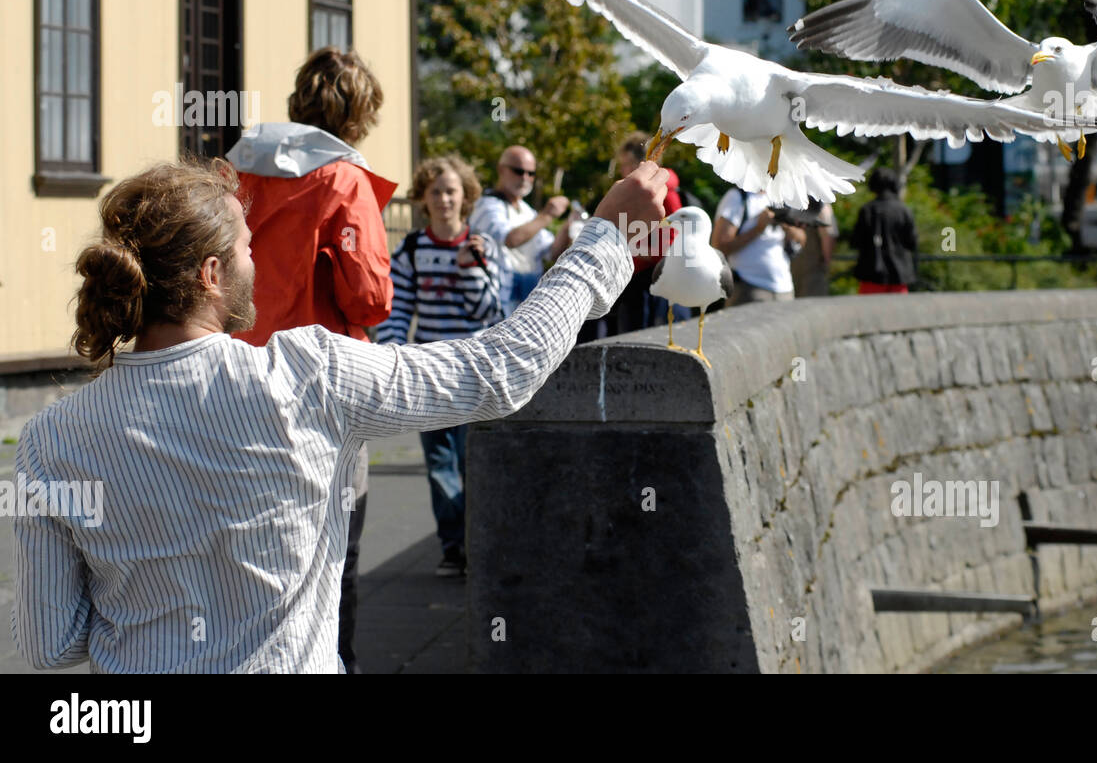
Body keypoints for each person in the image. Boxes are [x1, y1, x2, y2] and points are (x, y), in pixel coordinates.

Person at [11, 156, 667, 673]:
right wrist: (600, 239)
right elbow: (499, 370)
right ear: (210, 274)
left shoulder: (46, 439)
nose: (256, 259)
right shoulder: (303, 376)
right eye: (245, 246)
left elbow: (48, 643)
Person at [224, 46, 396, 674]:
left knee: (247, 540)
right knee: (333, 546)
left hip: (239, 368)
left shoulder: (238, 169)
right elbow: (369, 297)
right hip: (323, 379)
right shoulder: (344, 178)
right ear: (359, 115)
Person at [375, 156, 502, 579]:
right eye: (435, 192)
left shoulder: (484, 245)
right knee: (440, 463)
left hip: (472, 371)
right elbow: (397, 307)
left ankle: (476, 541)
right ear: (423, 200)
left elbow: (489, 309)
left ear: (466, 197)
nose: (444, 199)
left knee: (472, 462)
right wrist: (393, 350)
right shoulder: (412, 247)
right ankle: (454, 547)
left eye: (451, 191)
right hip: (428, 369)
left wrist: (469, 269)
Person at [469, 145, 572, 315]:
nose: (525, 178)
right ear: (501, 170)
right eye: (518, 171)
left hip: (528, 297)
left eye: (531, 173)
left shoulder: (526, 210)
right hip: (501, 302)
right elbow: (510, 239)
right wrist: (547, 215)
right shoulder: (487, 205)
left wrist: (569, 225)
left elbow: (552, 252)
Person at [609, 132, 683, 334]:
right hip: (636, 285)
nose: (623, 170)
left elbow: (668, 248)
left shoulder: (665, 194)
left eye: (626, 164)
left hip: (650, 291)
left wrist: (621, 248)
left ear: (644, 164)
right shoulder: (642, 193)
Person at [712, 187, 806, 305]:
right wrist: (758, 229)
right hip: (749, 288)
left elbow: (801, 239)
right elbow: (719, 246)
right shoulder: (736, 197)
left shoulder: (781, 195)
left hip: (785, 289)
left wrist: (786, 224)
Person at [851, 168, 918, 294]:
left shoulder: (867, 210)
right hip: (899, 273)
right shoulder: (904, 210)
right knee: (900, 312)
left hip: (871, 273)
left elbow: (856, 241)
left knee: (868, 311)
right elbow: (912, 243)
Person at [790, 200, 839, 297]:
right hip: (812, 264)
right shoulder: (821, 204)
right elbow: (828, 234)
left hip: (790, 263)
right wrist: (826, 262)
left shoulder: (791, 201)